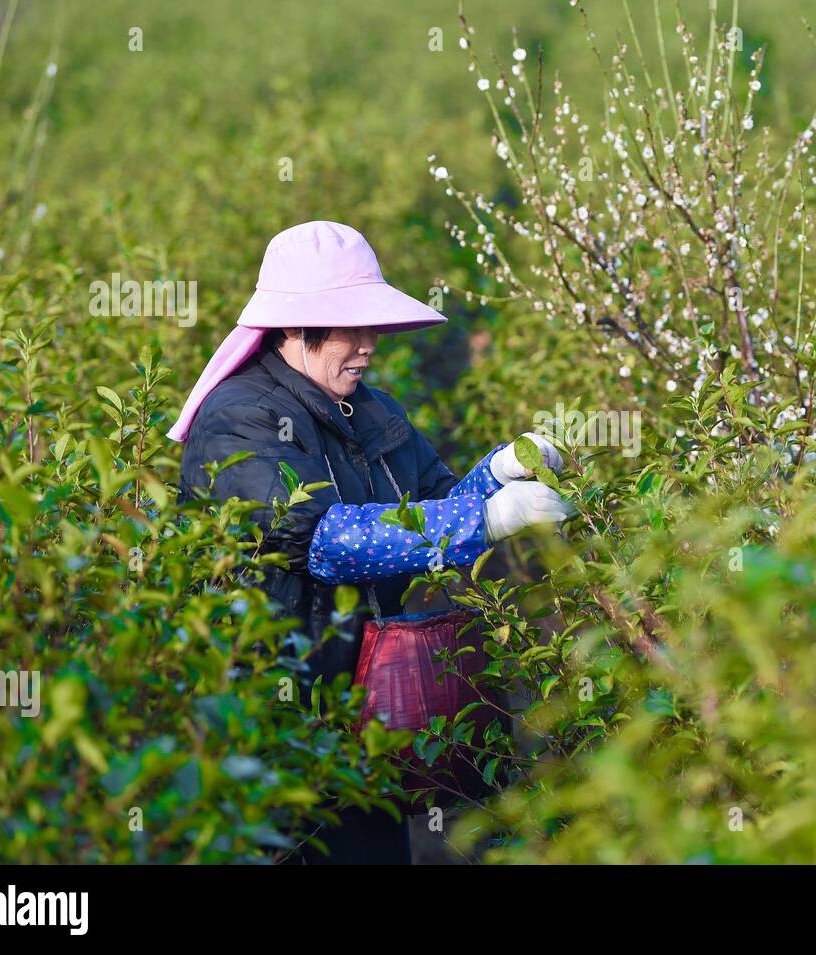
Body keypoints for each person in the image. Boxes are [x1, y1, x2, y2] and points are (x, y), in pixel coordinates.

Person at [169, 220, 570, 863]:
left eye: (370, 328)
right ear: (298, 330)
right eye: (351, 329)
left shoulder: (369, 408)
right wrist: (484, 522)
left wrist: (496, 474)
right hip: (279, 718)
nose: (367, 347)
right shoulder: (240, 420)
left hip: (368, 719)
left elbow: (430, 507)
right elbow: (326, 542)